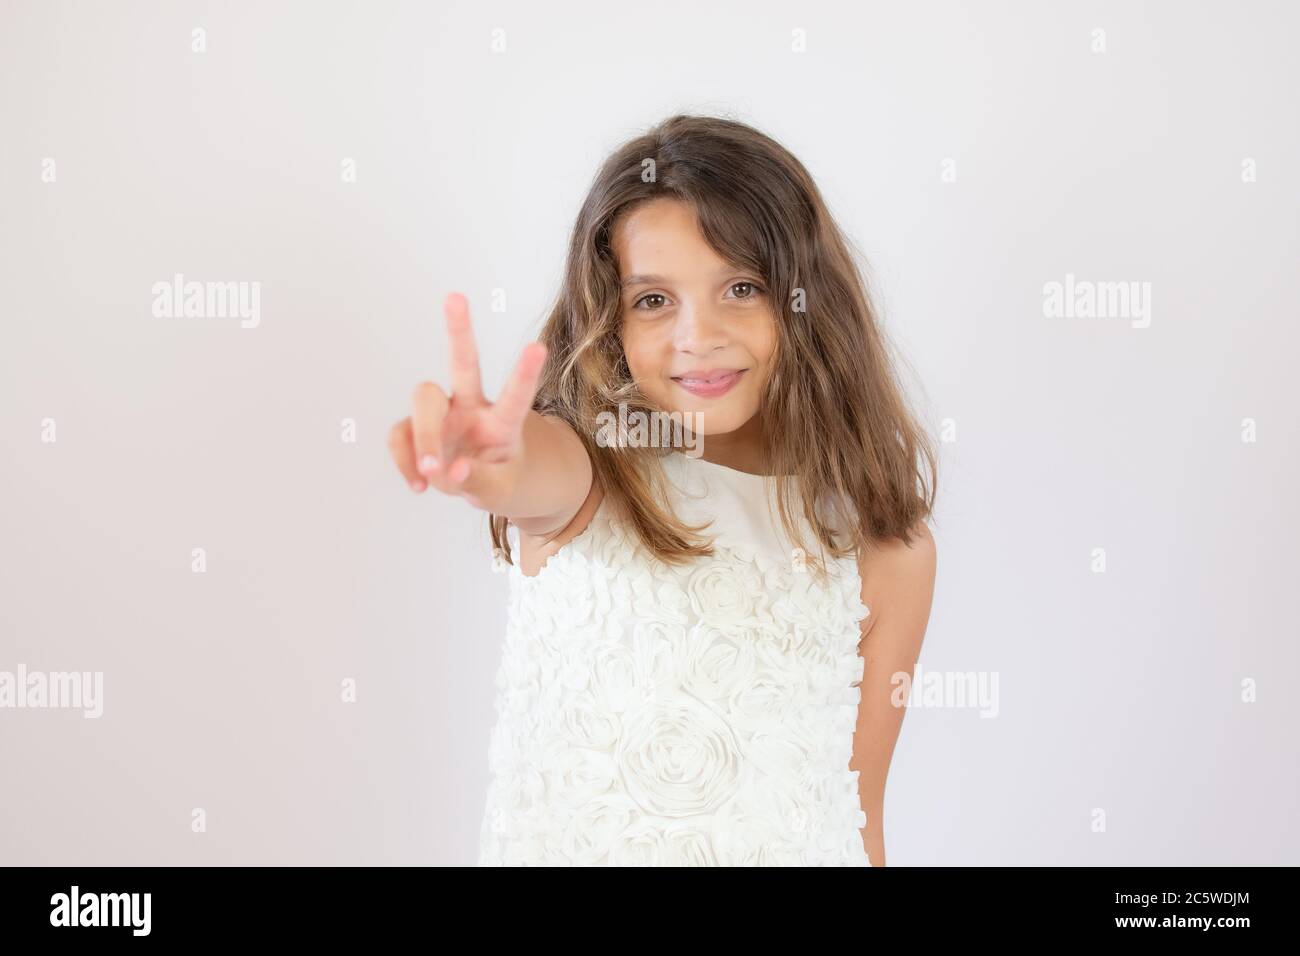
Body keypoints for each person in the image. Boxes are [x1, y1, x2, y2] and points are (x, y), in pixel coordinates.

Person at [388, 114, 938, 866]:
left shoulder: (884, 549)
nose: (697, 334)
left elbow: (856, 813)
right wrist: (495, 461)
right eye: (653, 300)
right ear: (610, 321)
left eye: (742, 287)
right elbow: (534, 472)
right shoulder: (593, 474)